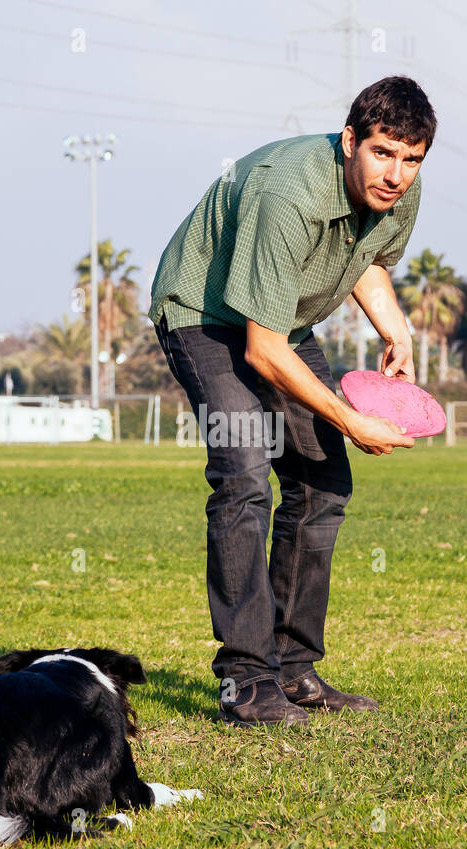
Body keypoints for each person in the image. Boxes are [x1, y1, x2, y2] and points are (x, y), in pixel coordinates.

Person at [148, 75, 435, 727]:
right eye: (383, 153)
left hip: (281, 322)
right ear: (350, 140)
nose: (396, 173)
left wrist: (396, 326)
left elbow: (365, 258)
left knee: (322, 484)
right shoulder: (288, 193)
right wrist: (349, 416)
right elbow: (262, 350)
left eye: (411, 159)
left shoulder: (399, 194)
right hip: (206, 313)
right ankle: (246, 681)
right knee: (244, 476)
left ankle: (294, 669)